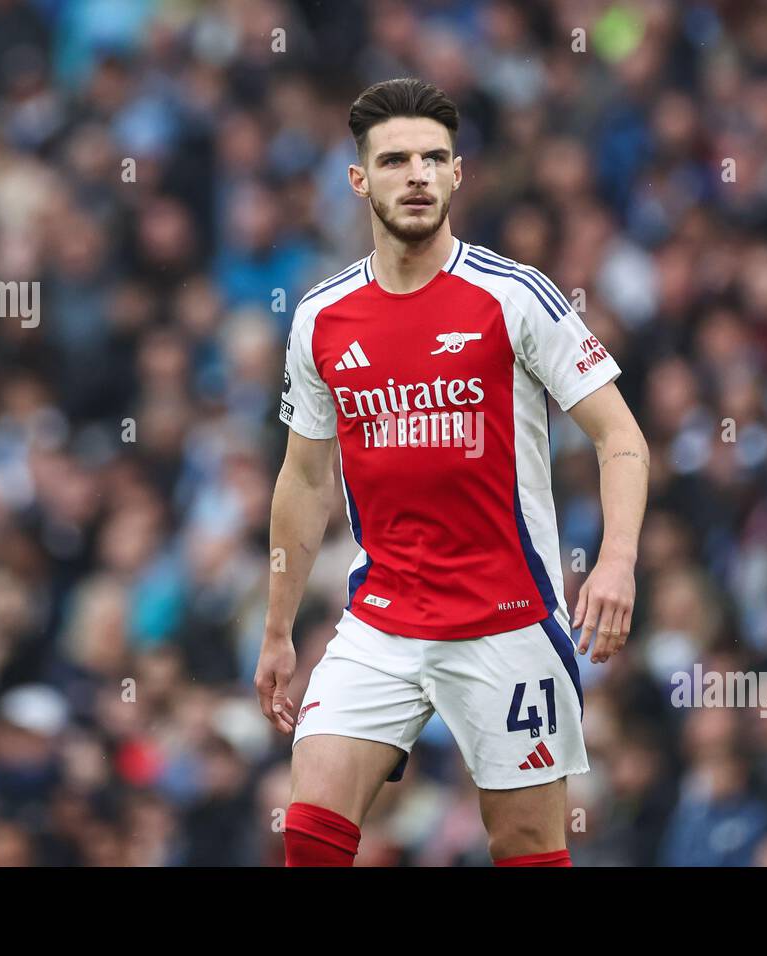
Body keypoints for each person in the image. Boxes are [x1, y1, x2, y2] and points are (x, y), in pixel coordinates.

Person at [253, 77, 650, 867]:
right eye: (395, 160)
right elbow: (303, 480)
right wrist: (277, 629)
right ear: (360, 180)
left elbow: (622, 437)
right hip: (381, 619)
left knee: (528, 847)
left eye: (434, 158)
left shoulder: (515, 297)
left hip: (506, 619)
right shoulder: (321, 318)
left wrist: (617, 560)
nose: (417, 175)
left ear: (458, 174)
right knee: (307, 832)